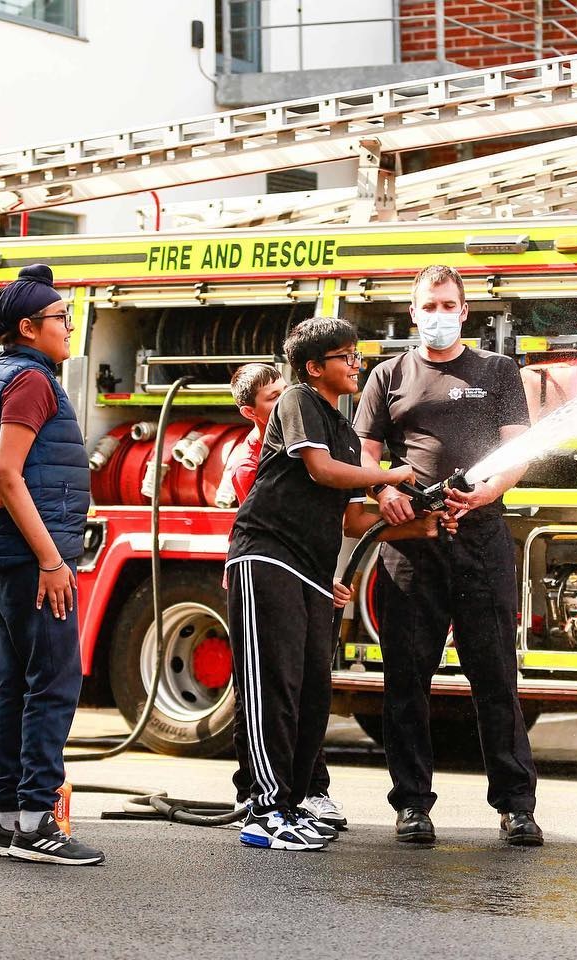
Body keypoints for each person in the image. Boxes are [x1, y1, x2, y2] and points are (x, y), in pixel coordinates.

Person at [353, 264, 544, 847]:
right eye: (427, 306)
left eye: (447, 305)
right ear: (412, 313)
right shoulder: (387, 376)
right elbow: (364, 456)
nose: (437, 315)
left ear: (465, 312)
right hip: (412, 543)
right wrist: (384, 492)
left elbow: (521, 450)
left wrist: (488, 491)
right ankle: (412, 804)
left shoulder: (497, 370)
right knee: (406, 678)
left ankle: (516, 807)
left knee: (495, 676)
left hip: (483, 536)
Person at [225, 318, 414, 851]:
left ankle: (293, 801)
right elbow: (321, 472)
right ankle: (263, 812)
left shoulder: (344, 431)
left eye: (357, 354)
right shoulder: (298, 399)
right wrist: (390, 476)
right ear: (314, 367)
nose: (357, 364)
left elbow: (351, 519)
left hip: (311, 569)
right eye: (345, 356)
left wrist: (420, 519)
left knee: (311, 692)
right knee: (274, 687)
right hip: (268, 556)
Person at [0, 264, 102, 865]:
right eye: (60, 319)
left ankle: (10, 818)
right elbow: (6, 473)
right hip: (33, 558)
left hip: (11, 555)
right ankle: (37, 822)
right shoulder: (31, 381)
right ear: (28, 327)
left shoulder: (5, 378)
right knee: (54, 683)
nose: (68, 327)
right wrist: (52, 560)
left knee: (16, 685)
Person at [222, 362, 347, 831]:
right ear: (248, 411)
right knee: (263, 689)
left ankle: (307, 791)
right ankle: (257, 797)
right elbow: (278, 520)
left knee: (307, 687)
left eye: (284, 392)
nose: (285, 402)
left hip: (304, 573)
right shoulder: (250, 463)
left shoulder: (313, 437)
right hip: (266, 574)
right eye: (272, 398)